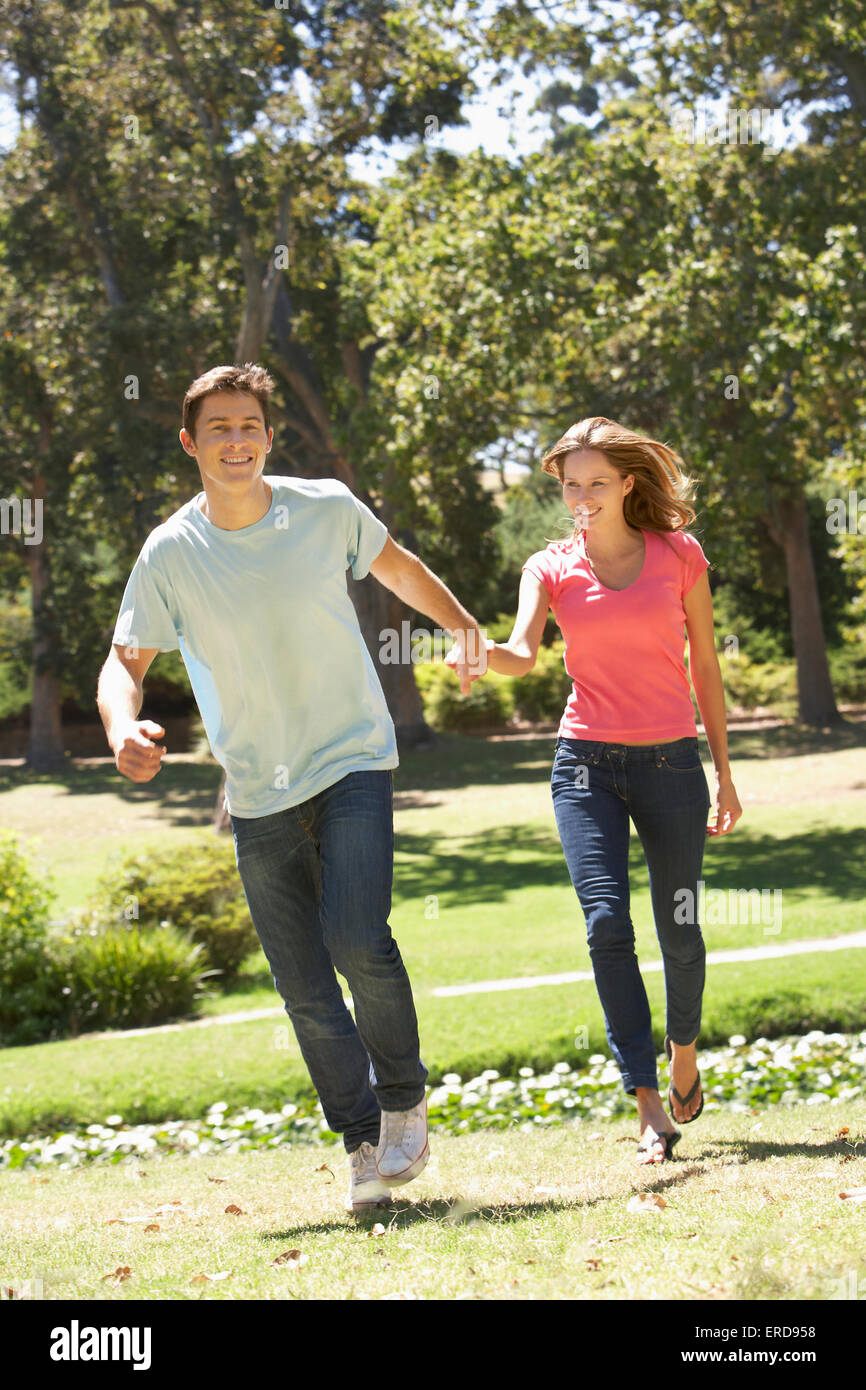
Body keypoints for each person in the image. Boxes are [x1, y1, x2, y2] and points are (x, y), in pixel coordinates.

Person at [97, 362, 485, 1211]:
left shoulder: (324, 508)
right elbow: (123, 663)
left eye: (249, 426)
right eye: (218, 428)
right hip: (255, 790)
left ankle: (402, 1099)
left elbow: (399, 566)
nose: (235, 441)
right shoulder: (170, 551)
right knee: (304, 985)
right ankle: (359, 1144)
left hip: (349, 756)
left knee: (356, 936)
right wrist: (122, 728)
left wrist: (458, 623)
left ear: (269, 437)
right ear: (191, 442)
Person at [449, 417, 742, 1164]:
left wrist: (727, 773)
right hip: (584, 766)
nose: (581, 497)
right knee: (606, 921)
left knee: (678, 927)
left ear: (628, 484)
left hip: (673, 762)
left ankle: (684, 1054)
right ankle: (648, 1102)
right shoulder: (549, 567)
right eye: (570, 484)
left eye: (596, 484)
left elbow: (705, 666)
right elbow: (522, 653)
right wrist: (484, 655)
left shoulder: (680, 556)